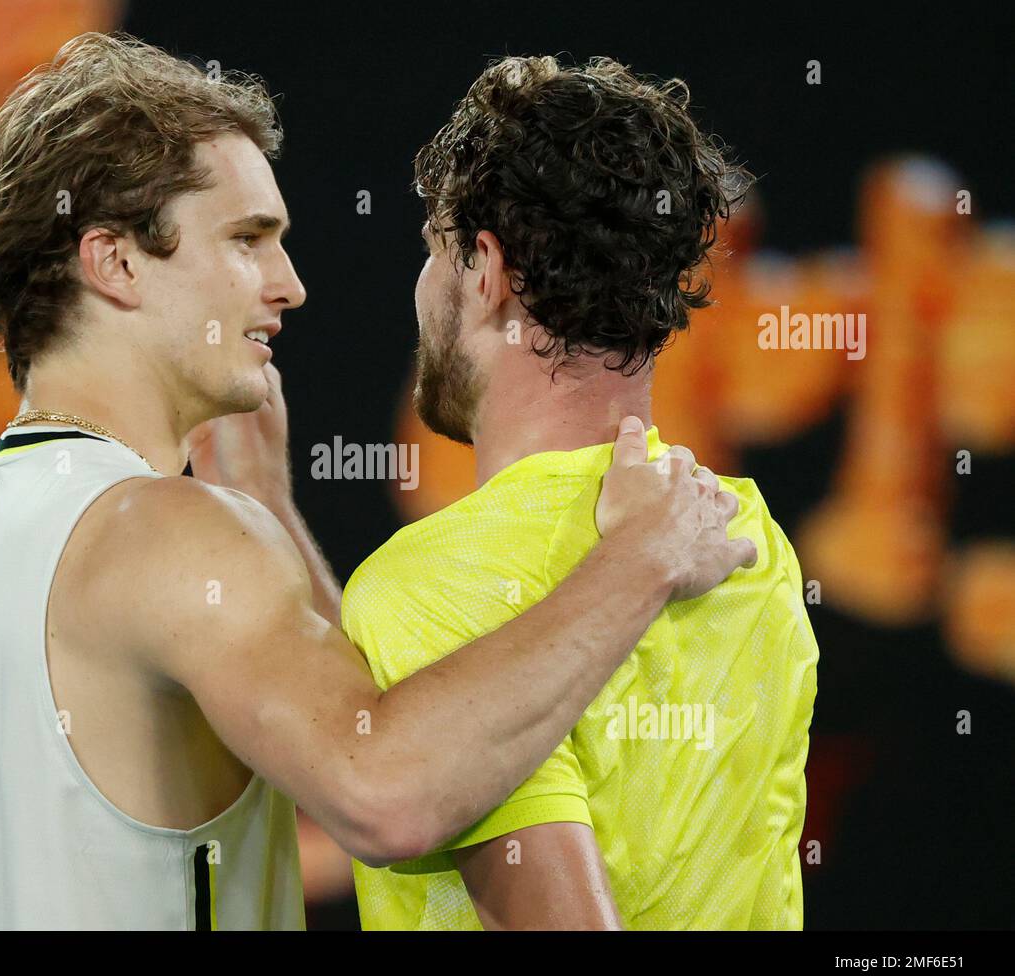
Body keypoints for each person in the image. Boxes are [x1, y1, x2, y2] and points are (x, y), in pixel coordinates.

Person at [0, 34, 753, 930]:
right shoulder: (169, 532)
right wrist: (638, 563)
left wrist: (272, 506)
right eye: (247, 241)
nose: (289, 285)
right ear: (117, 263)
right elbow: (387, 789)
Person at [344, 55, 818, 930]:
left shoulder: (428, 587)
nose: (423, 290)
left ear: (485, 271)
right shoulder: (753, 541)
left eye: (432, 255)